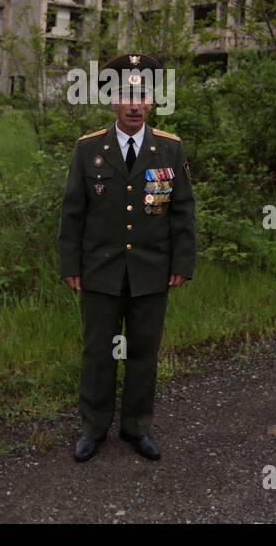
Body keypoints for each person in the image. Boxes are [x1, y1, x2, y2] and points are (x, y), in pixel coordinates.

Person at [57, 53, 196, 462]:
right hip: (99, 270)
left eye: (143, 94)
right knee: (98, 351)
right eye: (125, 94)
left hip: (151, 271)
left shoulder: (169, 149)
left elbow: (183, 210)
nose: (134, 103)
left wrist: (181, 263)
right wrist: (70, 265)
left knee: (143, 351)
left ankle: (137, 427)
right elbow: (72, 211)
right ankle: (94, 427)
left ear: (152, 100)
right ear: (112, 100)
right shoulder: (88, 149)